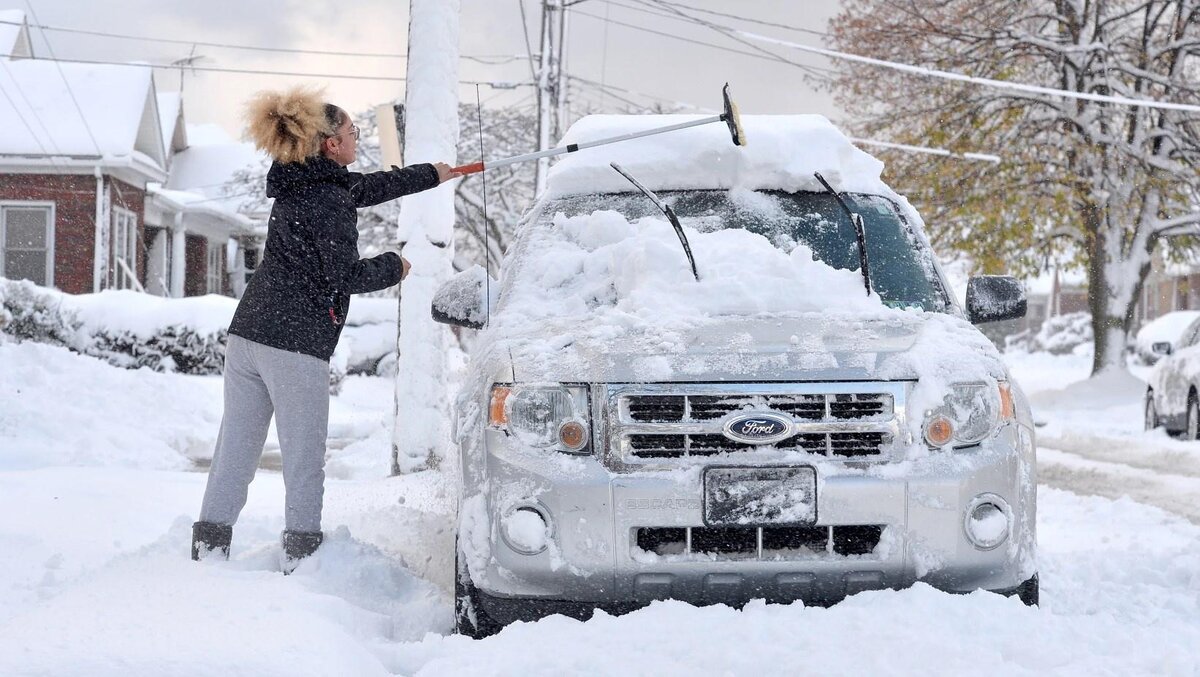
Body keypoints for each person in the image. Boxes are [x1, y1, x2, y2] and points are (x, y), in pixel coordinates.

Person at [191, 86, 454, 570]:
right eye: (353, 132)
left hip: (248, 333)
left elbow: (366, 188)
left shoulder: (300, 182)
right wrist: (394, 266)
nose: (358, 138)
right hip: (293, 343)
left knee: (236, 449)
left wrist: (432, 175)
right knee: (303, 456)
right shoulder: (328, 201)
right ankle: (302, 556)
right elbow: (345, 276)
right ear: (332, 143)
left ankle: (208, 547)